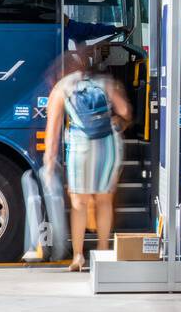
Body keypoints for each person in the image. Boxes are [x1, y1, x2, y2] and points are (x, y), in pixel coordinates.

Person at [44, 50, 132, 272]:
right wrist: (117, 122)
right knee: (104, 201)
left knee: (79, 204)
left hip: (81, 146)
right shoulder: (104, 82)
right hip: (108, 145)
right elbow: (125, 111)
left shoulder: (62, 88)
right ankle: (102, 251)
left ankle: (78, 256)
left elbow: (53, 132)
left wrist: (49, 160)